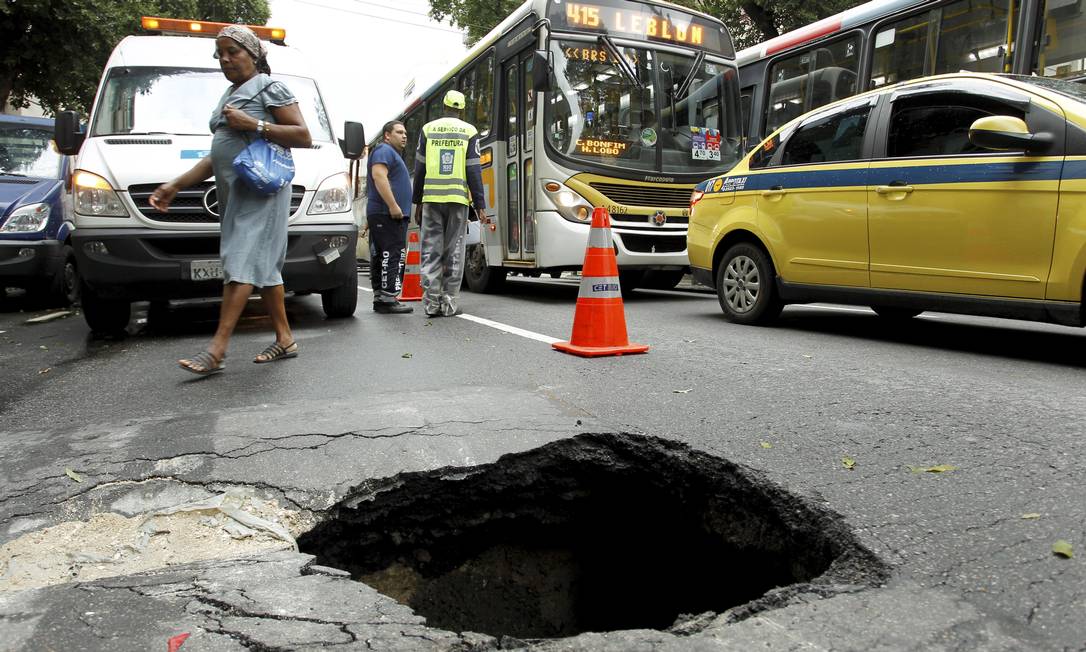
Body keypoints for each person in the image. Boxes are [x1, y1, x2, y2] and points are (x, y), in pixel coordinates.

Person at [150, 25, 312, 375]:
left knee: (240, 262)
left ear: (253, 55)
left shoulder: (270, 87)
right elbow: (217, 156)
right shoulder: (230, 94)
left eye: (232, 52)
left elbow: (302, 135)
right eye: (220, 53)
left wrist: (254, 124)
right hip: (235, 196)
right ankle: (285, 339)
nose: (225, 59)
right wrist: (175, 185)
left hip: (262, 193)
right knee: (265, 269)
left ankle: (217, 349)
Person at [411, 89, 486, 318]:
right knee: (454, 250)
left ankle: (431, 304)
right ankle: (449, 303)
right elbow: (473, 169)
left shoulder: (428, 129)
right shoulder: (469, 131)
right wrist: (480, 204)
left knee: (430, 251)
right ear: (461, 110)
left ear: (443, 107)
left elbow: (420, 167)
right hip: (457, 200)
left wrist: (417, 201)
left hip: (432, 199)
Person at [366, 121, 413, 313]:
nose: (404, 136)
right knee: (392, 254)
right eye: (399, 132)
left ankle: (381, 297)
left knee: (382, 254)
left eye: (405, 133)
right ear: (387, 135)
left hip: (383, 214)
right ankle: (388, 298)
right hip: (388, 214)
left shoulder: (388, 153)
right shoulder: (384, 151)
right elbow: (379, 176)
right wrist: (393, 205)